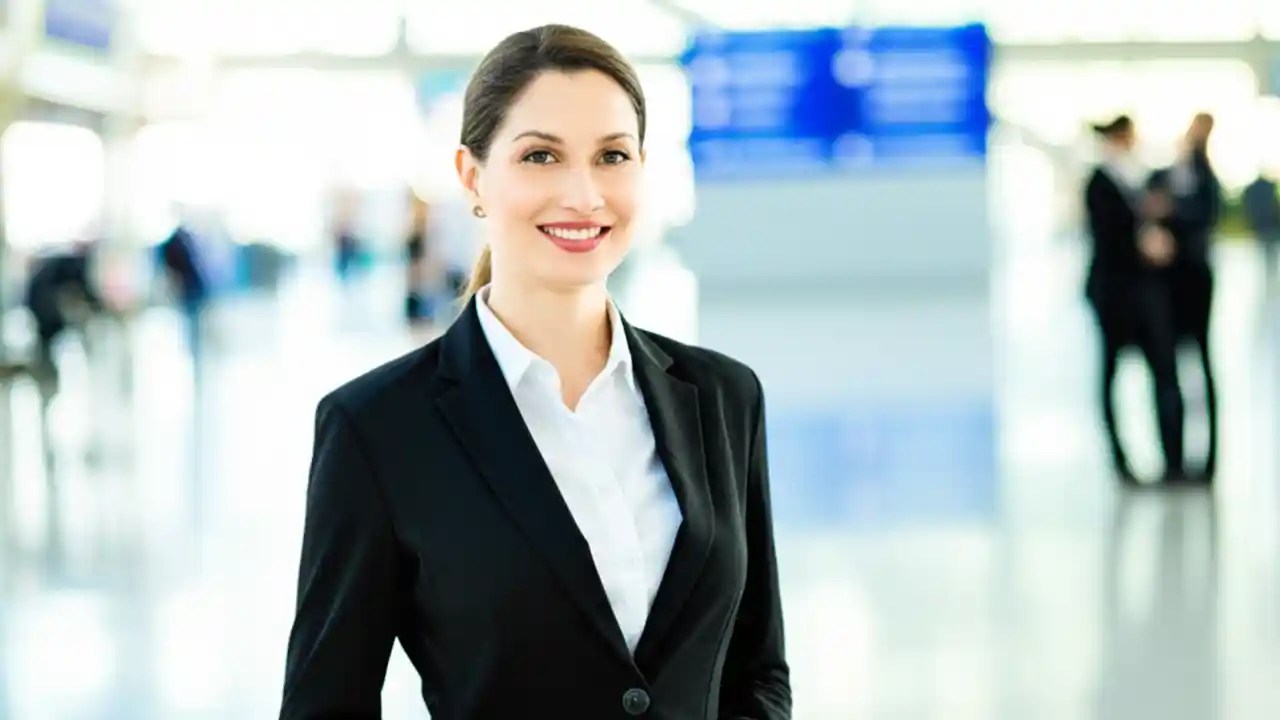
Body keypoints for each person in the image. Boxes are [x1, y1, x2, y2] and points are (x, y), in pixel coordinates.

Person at [281, 24, 792, 720]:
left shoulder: (723, 397)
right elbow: (325, 704)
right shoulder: (378, 429)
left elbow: (756, 671)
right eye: (541, 156)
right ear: (472, 177)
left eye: (612, 156)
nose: (583, 195)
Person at [1084, 115, 1186, 486]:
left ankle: (1173, 459)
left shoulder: (1139, 179)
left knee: (1163, 371)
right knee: (1111, 374)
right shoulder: (1100, 182)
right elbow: (1108, 238)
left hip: (1146, 294)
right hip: (1114, 295)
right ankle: (1120, 461)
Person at [1146, 113, 1221, 484]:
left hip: (1196, 285)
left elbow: (1201, 218)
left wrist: (1172, 212)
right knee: (1168, 371)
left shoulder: (1205, 178)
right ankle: (1173, 458)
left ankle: (1209, 459)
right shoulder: (1161, 176)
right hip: (1167, 289)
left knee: (1202, 368)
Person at [1242, 170, 1279, 286]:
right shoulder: (1267, 187)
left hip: (1266, 224)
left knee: (1268, 250)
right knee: (1268, 250)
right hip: (1266, 223)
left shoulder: (1262, 188)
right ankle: (1269, 274)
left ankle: (1270, 274)